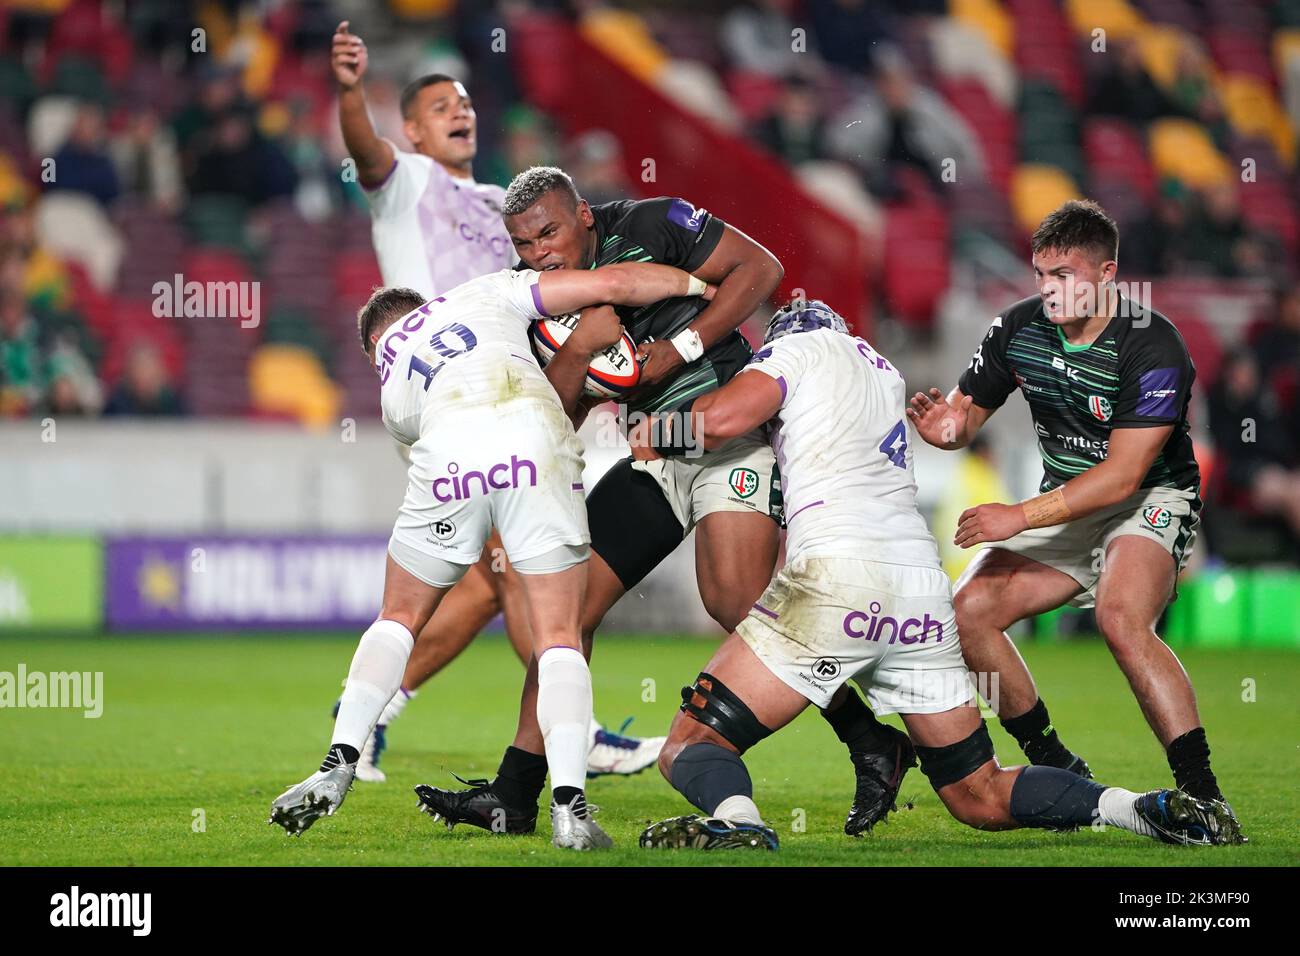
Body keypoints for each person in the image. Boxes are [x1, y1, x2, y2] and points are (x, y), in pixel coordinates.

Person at [414, 167, 916, 839]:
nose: (541, 254)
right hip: (652, 457)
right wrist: (582, 351)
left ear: (584, 216)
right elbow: (559, 415)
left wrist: (675, 348)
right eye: (525, 243)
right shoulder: (540, 297)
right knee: (562, 615)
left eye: (550, 233)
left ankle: (868, 738)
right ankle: (514, 795)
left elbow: (759, 269)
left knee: (735, 603)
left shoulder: (652, 224)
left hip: (728, 441)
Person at [633, 299, 1242, 851]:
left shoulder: (800, 348)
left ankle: (741, 824)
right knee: (978, 792)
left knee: (691, 744)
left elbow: (720, 420)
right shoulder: (884, 374)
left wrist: (657, 430)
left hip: (838, 579)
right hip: (921, 594)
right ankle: (1140, 807)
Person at [269, 260, 712, 849]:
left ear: (379, 346)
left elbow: (448, 470)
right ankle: (569, 807)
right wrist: (702, 286)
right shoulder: (482, 292)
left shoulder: (392, 392)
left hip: (449, 454)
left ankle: (339, 758)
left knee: (398, 617)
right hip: (535, 436)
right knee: (559, 635)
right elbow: (613, 287)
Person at [330, 22, 657, 779]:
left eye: (466, 99)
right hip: (449, 397)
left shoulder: (495, 206)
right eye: (439, 104)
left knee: (479, 587)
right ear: (410, 127)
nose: (460, 109)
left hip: (509, 398)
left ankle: (373, 709)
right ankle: (574, 732)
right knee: (522, 568)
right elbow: (365, 152)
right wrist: (352, 94)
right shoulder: (407, 182)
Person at [905, 199, 1242, 836]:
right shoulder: (1016, 329)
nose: (1048, 290)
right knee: (968, 611)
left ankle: (1204, 795)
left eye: (1064, 275)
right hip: (1068, 498)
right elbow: (962, 415)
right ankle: (1056, 765)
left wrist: (1018, 517)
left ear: (1107, 273)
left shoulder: (1153, 345)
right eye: (1040, 274)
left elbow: (1123, 475)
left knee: (1120, 616)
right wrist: (943, 429)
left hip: (1150, 498)